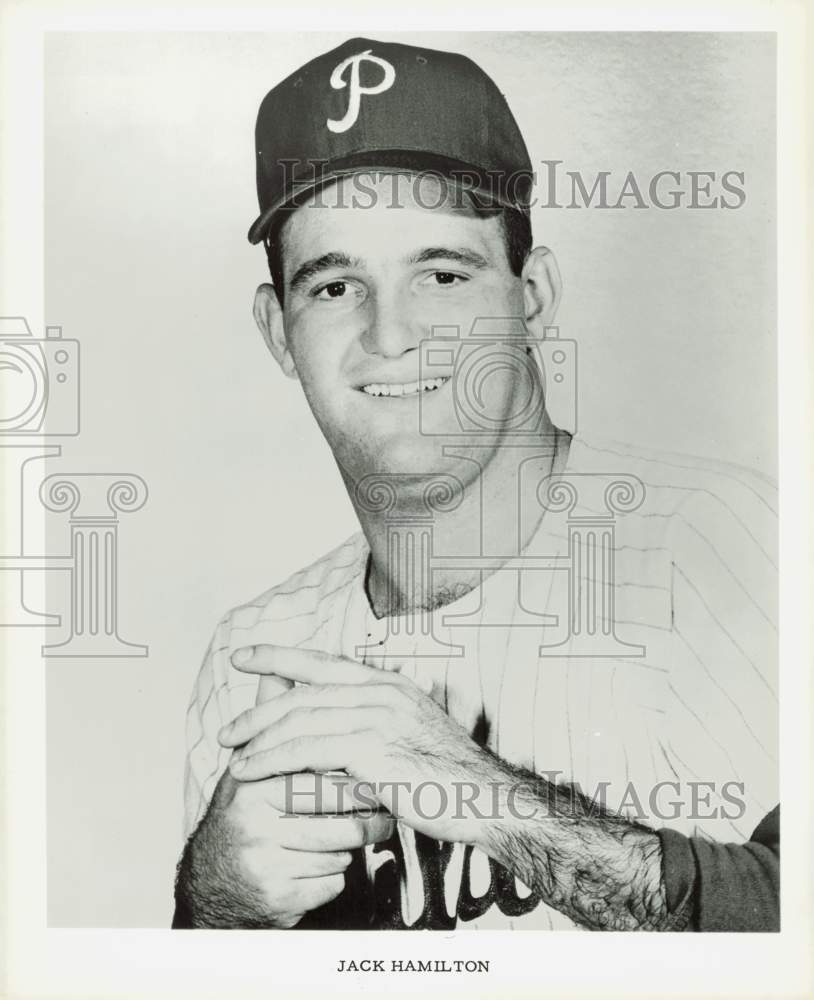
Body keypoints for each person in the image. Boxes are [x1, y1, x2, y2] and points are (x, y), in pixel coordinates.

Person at [173, 36, 778, 931]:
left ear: (532, 295)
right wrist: (215, 907)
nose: (392, 335)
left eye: (443, 274)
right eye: (335, 285)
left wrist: (482, 796)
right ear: (278, 332)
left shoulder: (743, 541)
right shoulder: (251, 656)